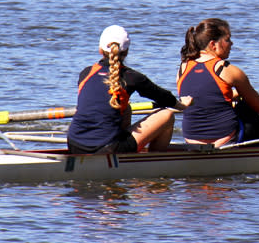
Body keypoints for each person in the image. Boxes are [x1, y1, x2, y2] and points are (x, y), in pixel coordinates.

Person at [67, 25, 188, 155]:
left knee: (126, 108)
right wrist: (182, 104)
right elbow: (165, 98)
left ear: (100, 50)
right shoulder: (132, 77)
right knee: (167, 115)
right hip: (107, 148)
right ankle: (154, 164)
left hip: (74, 143)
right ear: (127, 52)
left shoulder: (86, 73)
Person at [176, 18, 259, 148]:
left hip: (191, 140)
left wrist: (232, 94)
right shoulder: (229, 70)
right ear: (213, 45)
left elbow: (205, 95)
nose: (232, 43)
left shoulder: (182, 69)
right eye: (228, 39)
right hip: (224, 139)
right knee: (245, 106)